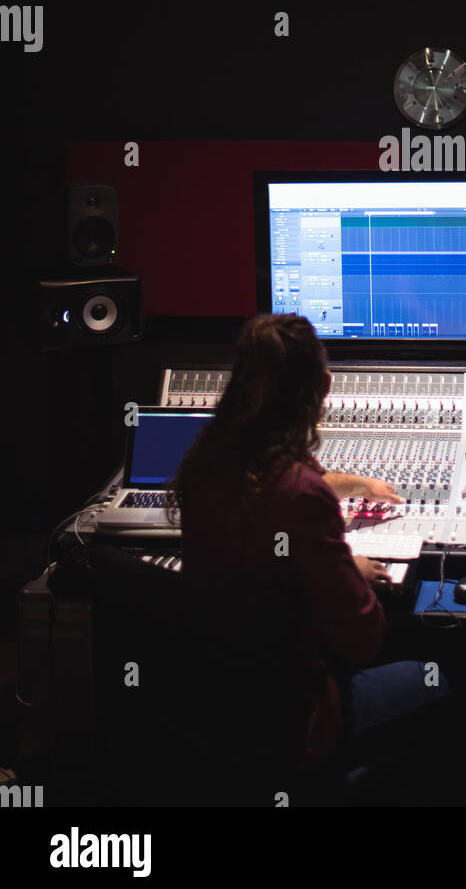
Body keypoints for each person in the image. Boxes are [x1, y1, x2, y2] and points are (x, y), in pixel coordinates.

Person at [166, 312, 450, 789]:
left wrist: (357, 484)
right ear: (323, 383)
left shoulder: (204, 465)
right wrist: (351, 571)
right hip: (295, 721)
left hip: (211, 707)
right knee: (438, 676)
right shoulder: (301, 497)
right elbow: (363, 641)